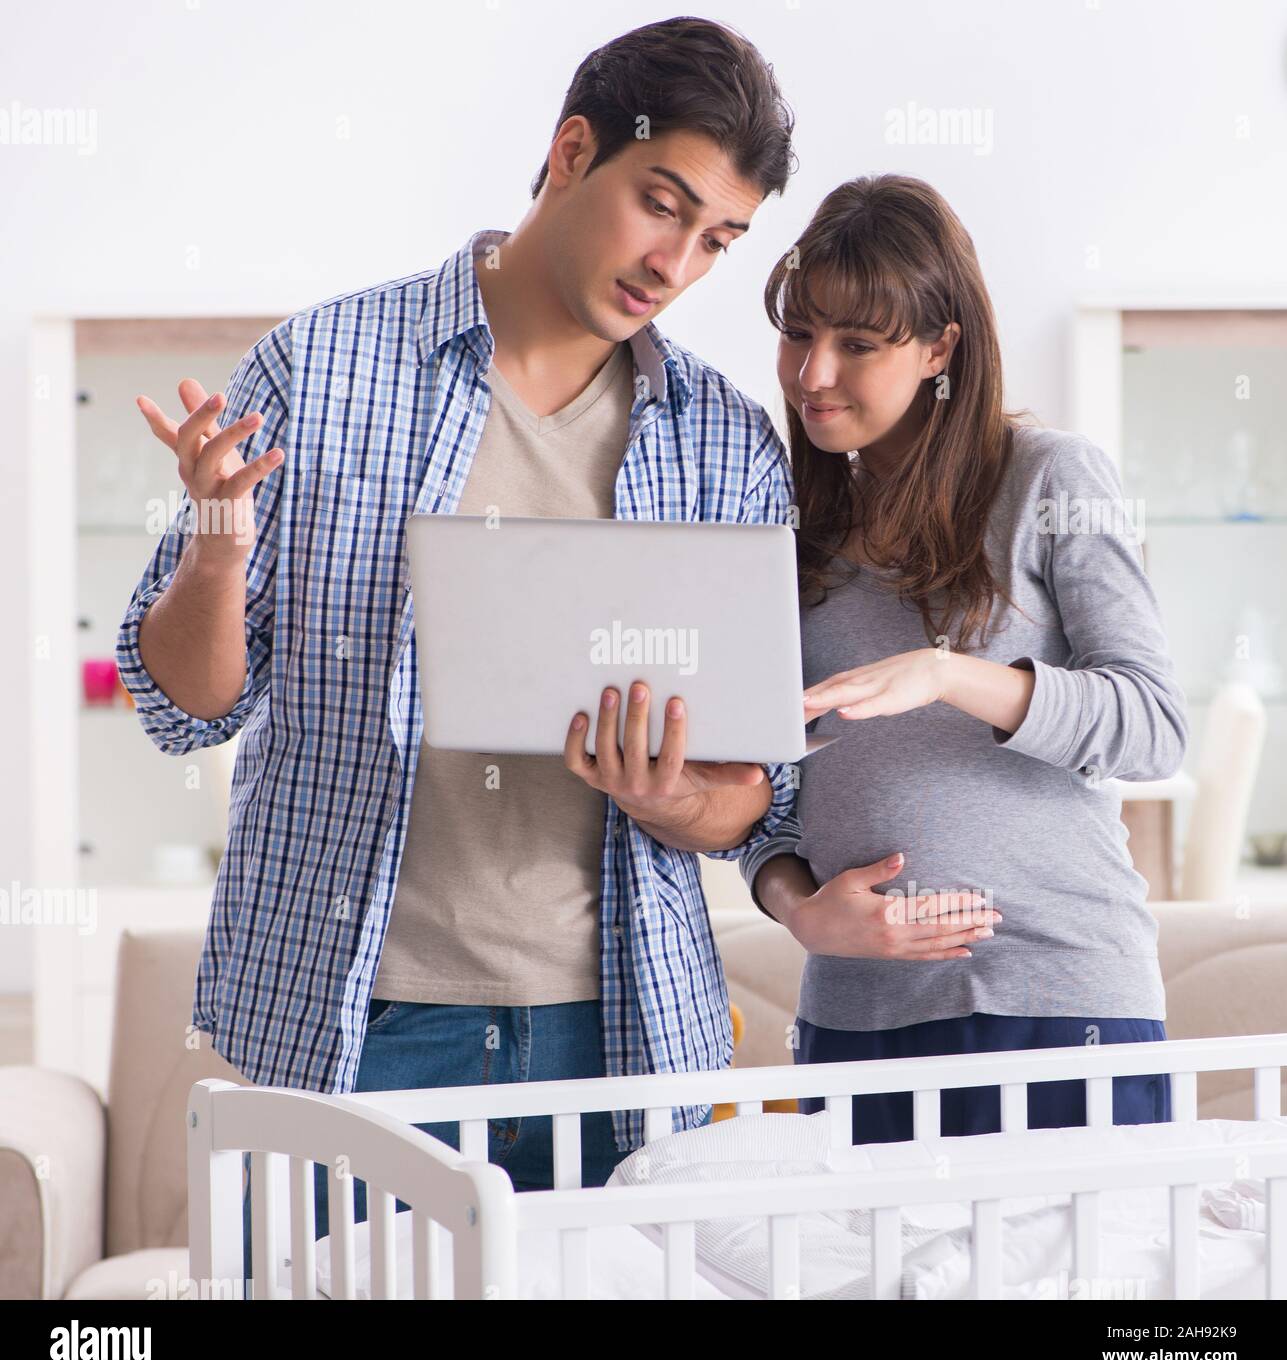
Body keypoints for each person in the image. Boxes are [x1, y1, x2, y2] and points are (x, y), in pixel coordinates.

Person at [118, 18, 810, 1293]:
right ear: (571, 149)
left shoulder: (724, 441)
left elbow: (763, 793)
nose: (676, 262)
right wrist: (218, 557)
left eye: (717, 238)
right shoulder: (321, 368)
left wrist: (677, 798)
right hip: (358, 1024)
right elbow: (185, 708)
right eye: (663, 205)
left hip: (621, 1040)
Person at [741, 174, 1188, 1144]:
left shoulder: (1049, 478)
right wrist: (797, 908)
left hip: (1057, 999)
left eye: (858, 344)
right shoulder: (794, 531)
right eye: (800, 334)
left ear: (941, 345)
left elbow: (1153, 725)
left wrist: (946, 672)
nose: (814, 373)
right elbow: (756, 789)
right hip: (856, 1015)